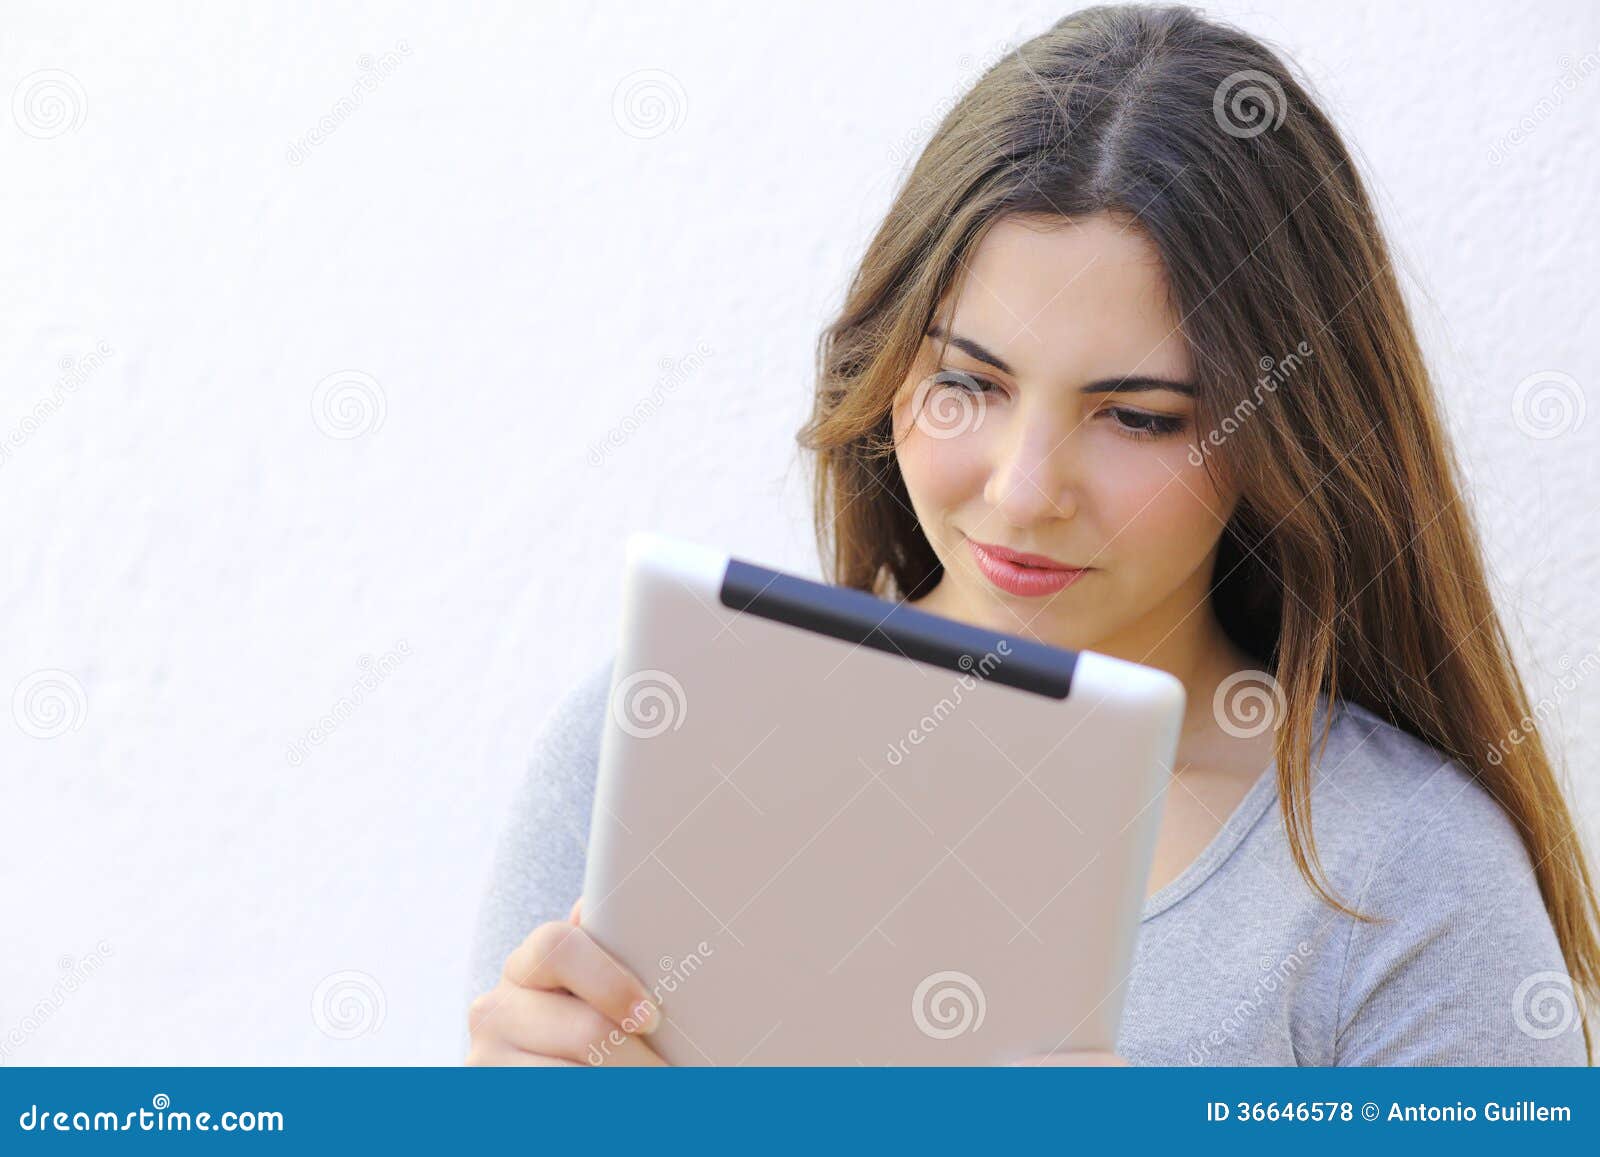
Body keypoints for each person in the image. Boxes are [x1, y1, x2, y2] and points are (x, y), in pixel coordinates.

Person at [465, 3, 1597, 1065]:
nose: (1021, 491)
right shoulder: (649, 745)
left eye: (1137, 416)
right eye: (969, 381)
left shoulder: (1404, 876)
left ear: (1284, 437)